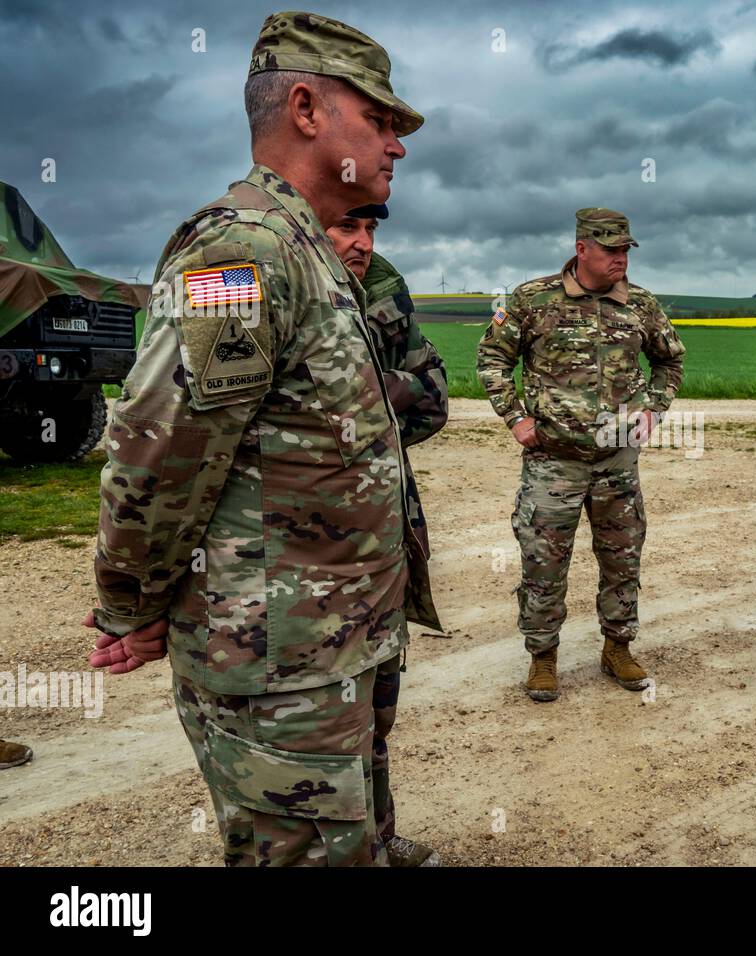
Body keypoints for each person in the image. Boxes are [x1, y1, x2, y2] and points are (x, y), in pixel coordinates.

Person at [85, 11, 436, 866]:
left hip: (338, 636)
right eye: (383, 121)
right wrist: (131, 604)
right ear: (308, 109)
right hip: (275, 655)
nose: (397, 146)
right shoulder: (238, 255)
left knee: (356, 824)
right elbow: (161, 452)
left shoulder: (311, 253)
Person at [476, 208, 685, 702]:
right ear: (581, 248)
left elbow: (669, 360)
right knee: (543, 562)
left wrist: (653, 408)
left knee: (622, 560)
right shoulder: (532, 299)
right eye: (610, 250)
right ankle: (543, 656)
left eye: (625, 250)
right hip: (553, 461)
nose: (620, 259)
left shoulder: (641, 305)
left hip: (618, 462)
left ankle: (618, 647)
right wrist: (515, 418)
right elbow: (492, 358)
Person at [326, 203, 447, 867]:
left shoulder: (380, 284)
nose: (363, 244)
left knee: (376, 711)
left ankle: (378, 837)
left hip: (378, 544)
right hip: (285, 568)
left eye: (371, 229)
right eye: (348, 227)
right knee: (309, 730)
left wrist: (355, 405)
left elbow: (434, 398)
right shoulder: (245, 270)